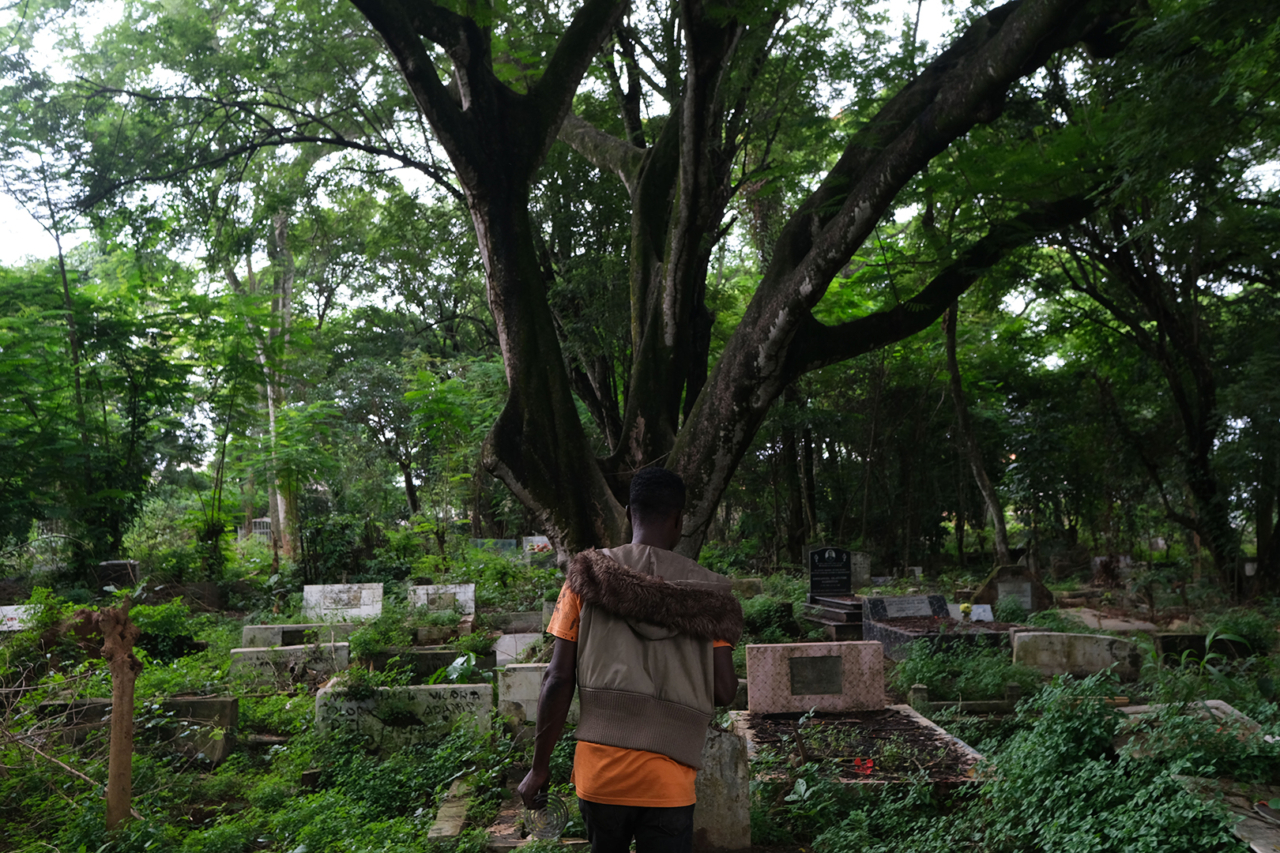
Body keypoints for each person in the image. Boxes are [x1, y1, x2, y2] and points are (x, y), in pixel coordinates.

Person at [516, 467, 743, 853]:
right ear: (679, 520)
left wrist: (539, 768)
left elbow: (557, 678)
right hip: (669, 782)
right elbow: (724, 691)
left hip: (601, 775)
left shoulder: (584, 577)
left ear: (627, 513)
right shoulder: (711, 596)